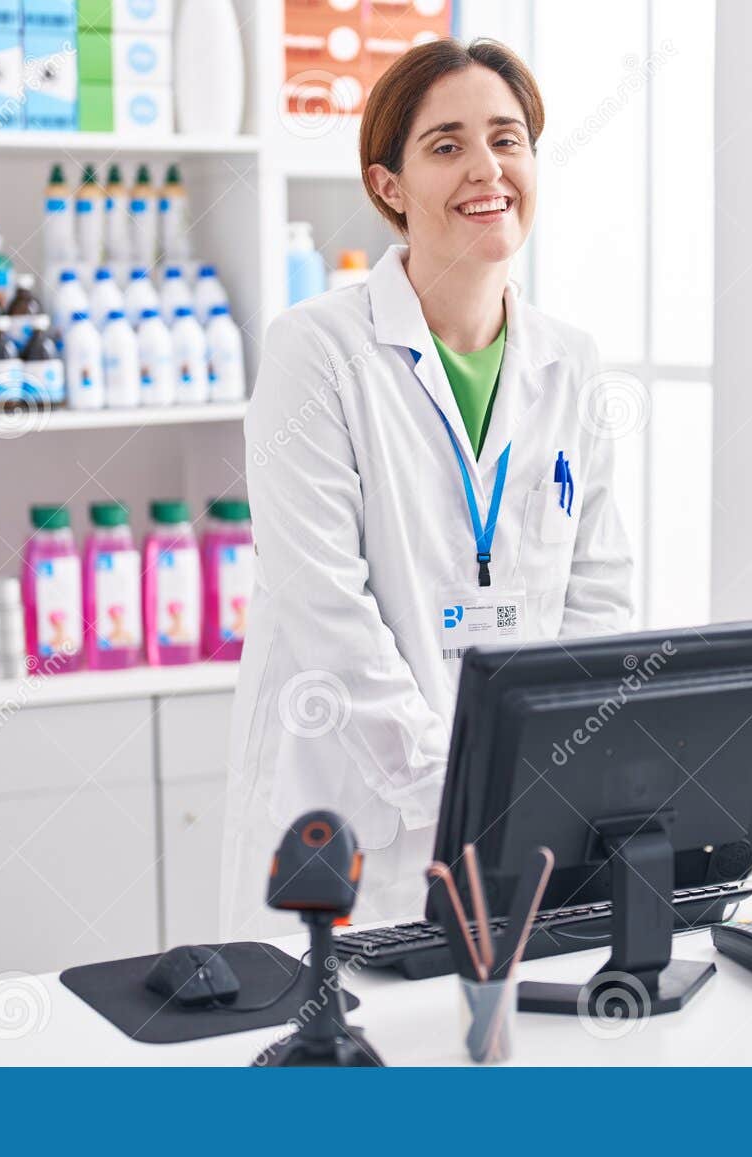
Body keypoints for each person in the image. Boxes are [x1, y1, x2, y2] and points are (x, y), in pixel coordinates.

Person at [222, 38, 633, 936]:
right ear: (388, 188)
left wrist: (554, 776)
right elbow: (324, 605)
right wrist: (455, 791)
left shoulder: (571, 362)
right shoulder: (317, 352)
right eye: (447, 145)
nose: (487, 168)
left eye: (508, 138)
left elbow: (598, 596)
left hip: (524, 830)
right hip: (345, 824)